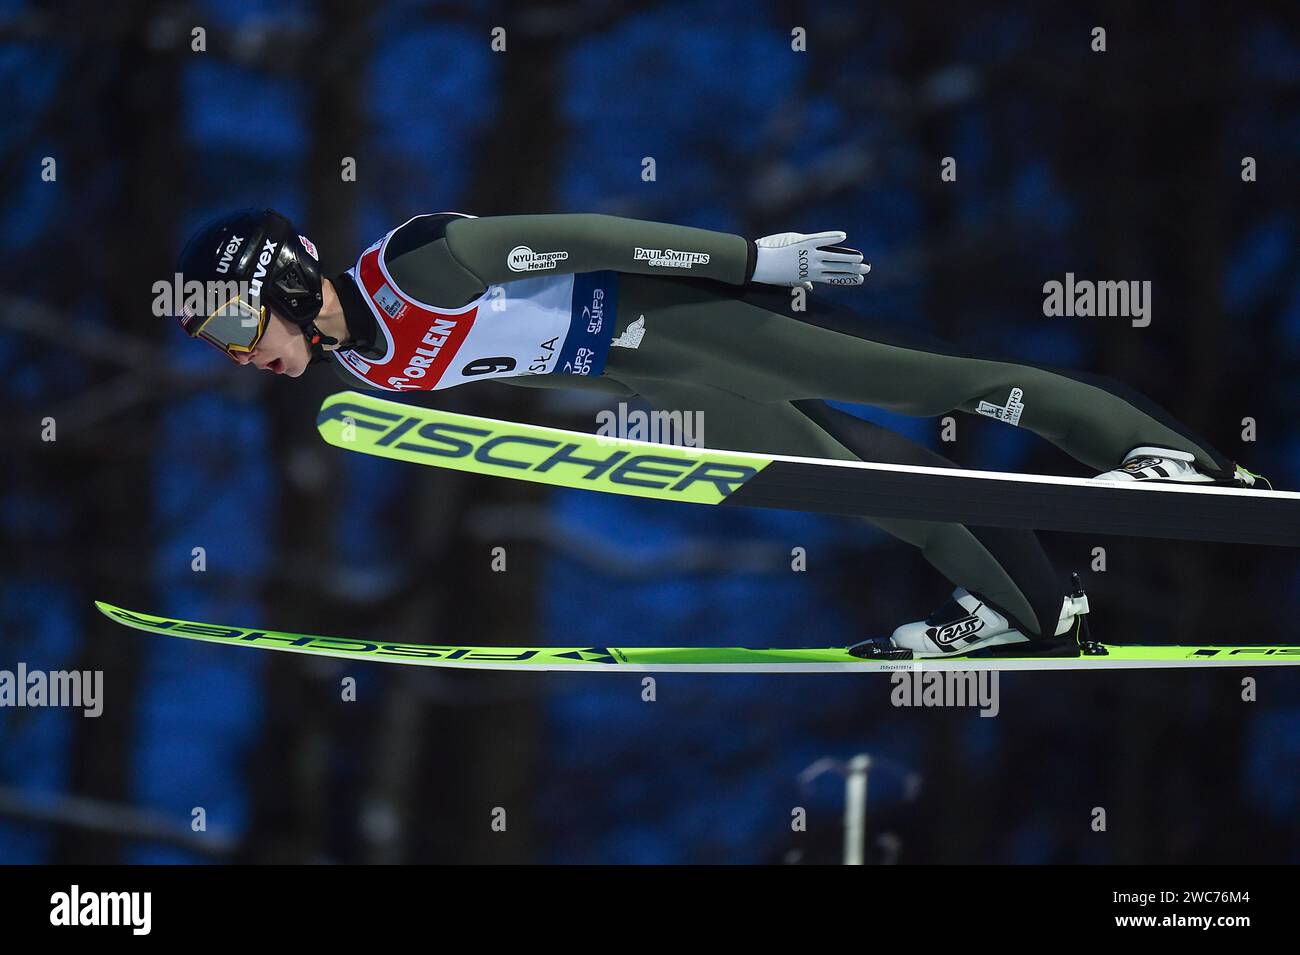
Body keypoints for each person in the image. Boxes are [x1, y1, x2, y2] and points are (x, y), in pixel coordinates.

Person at [175, 208, 1256, 658]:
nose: (234, 349)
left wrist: (750, 261)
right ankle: (1029, 606)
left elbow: (583, 234)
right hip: (638, 368)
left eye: (233, 321)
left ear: (282, 280)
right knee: (860, 483)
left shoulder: (414, 265)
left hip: (696, 321)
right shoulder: (361, 360)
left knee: (933, 382)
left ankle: (1184, 466)